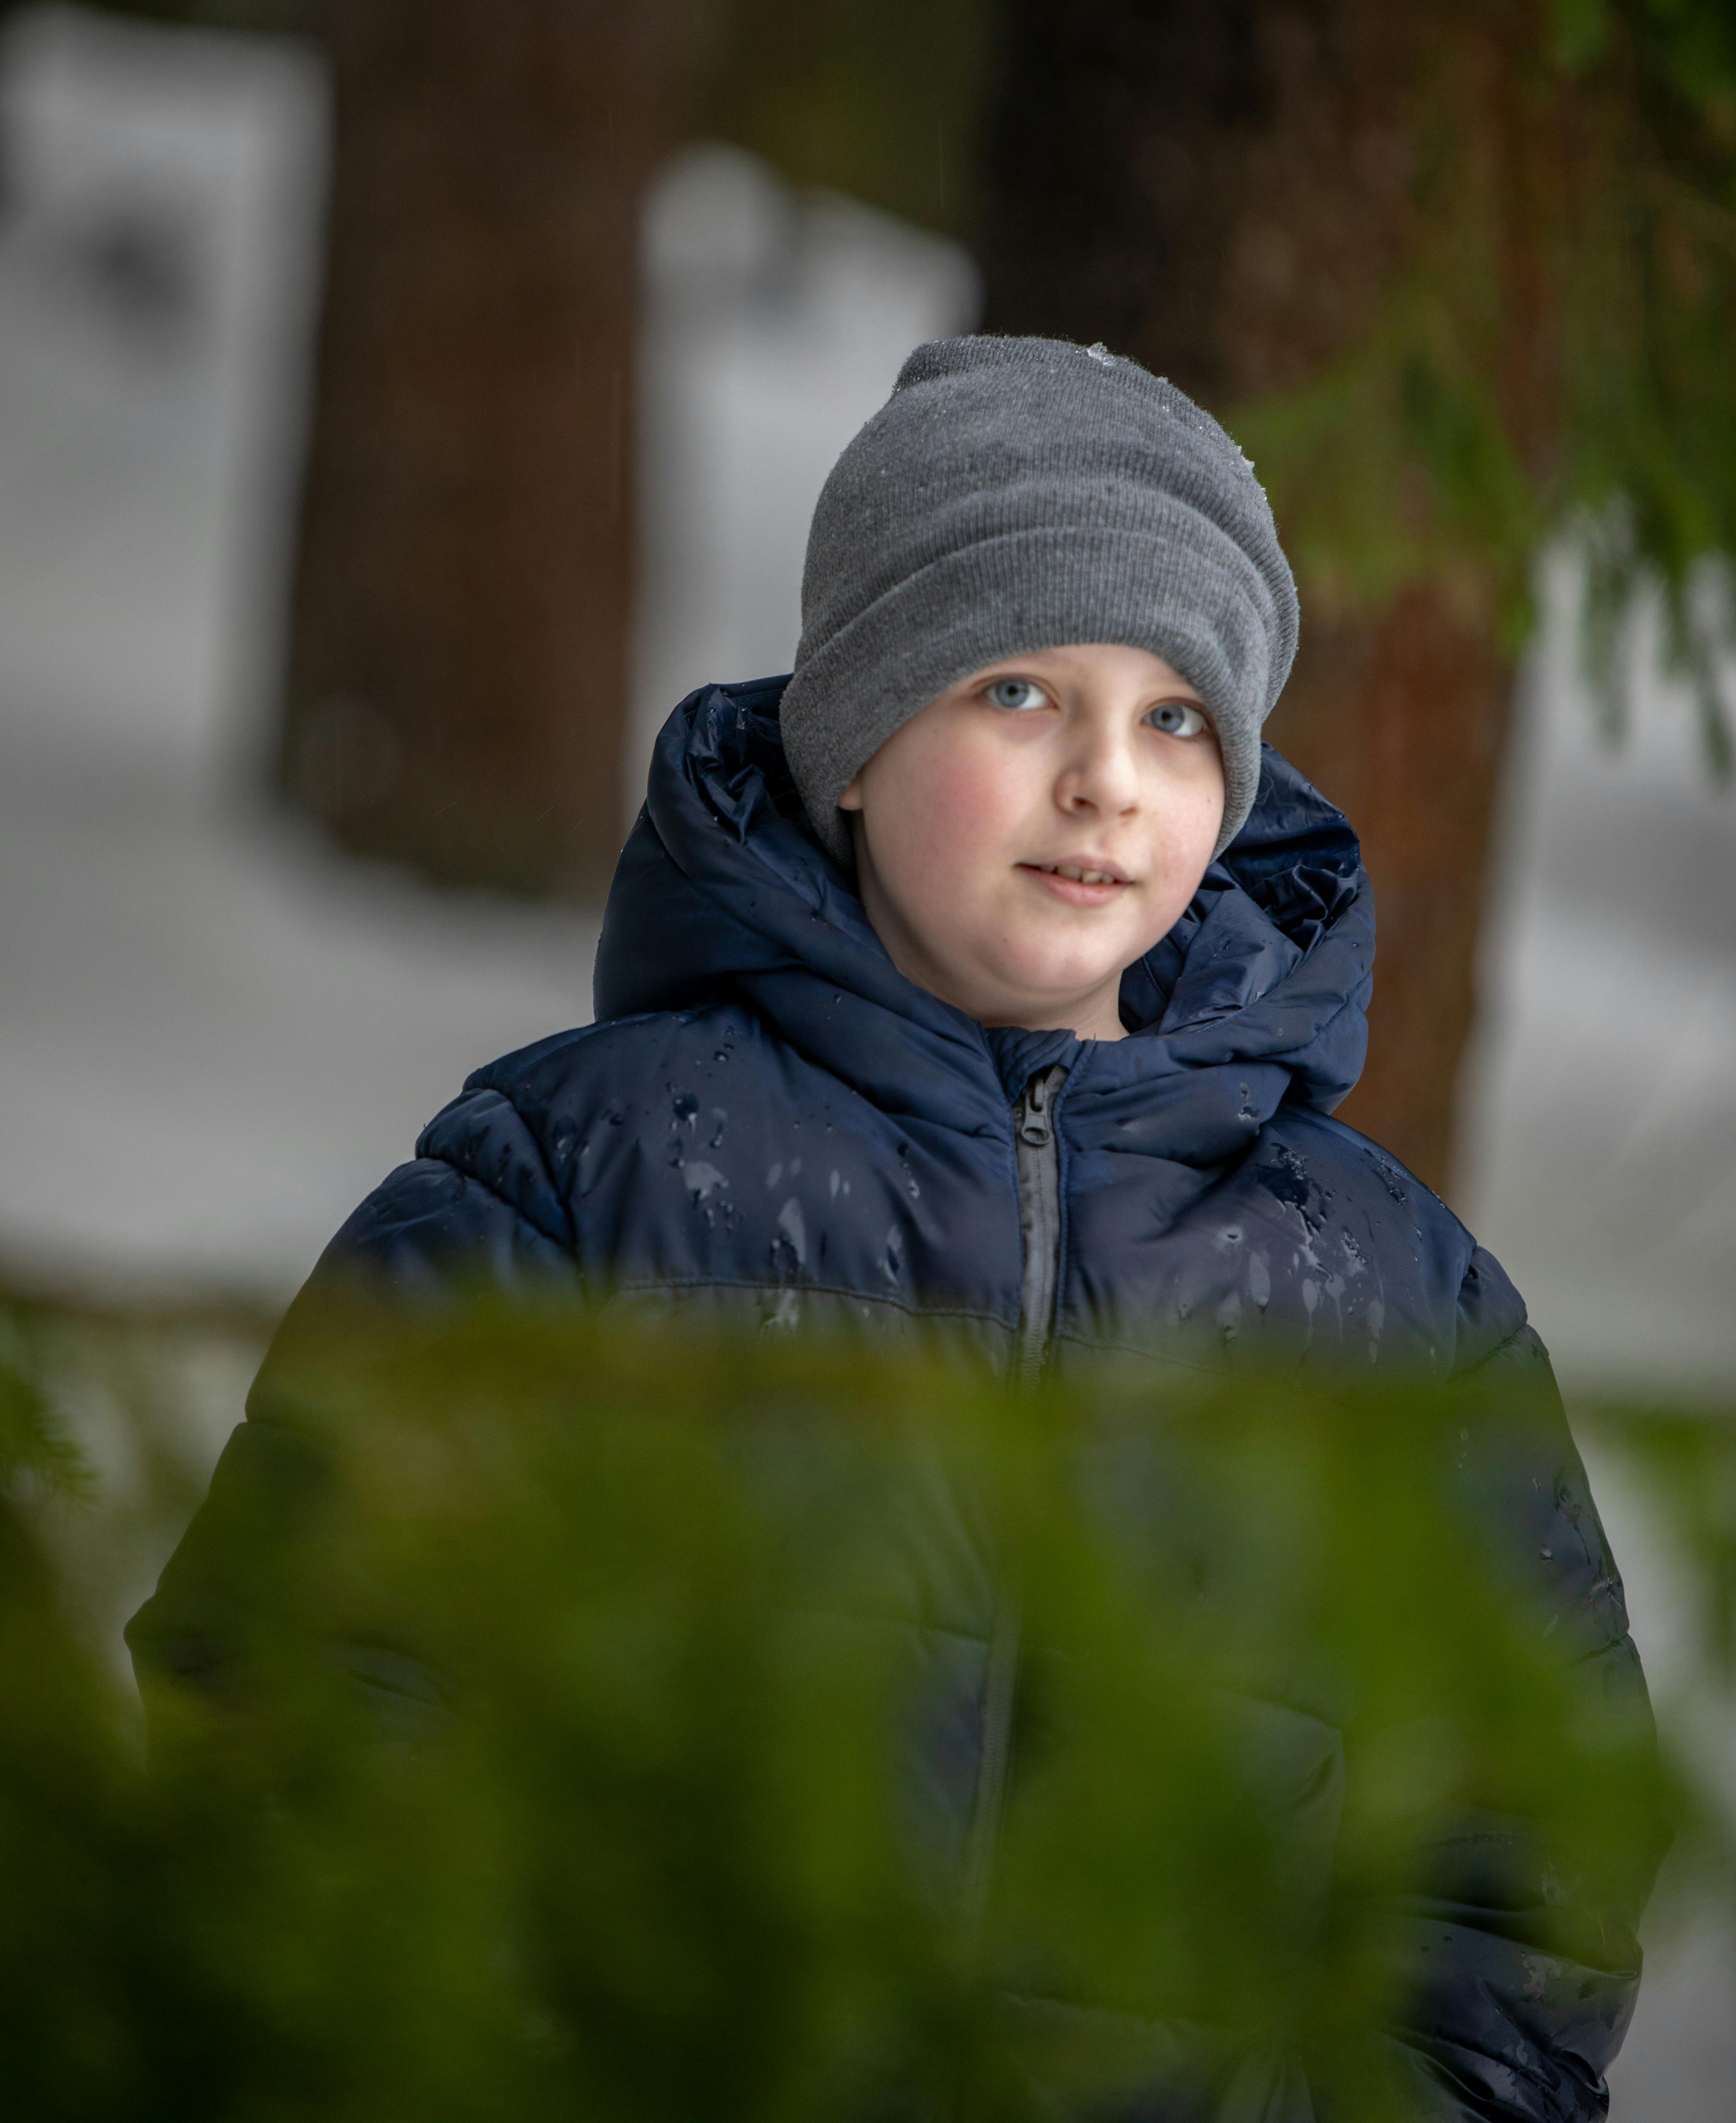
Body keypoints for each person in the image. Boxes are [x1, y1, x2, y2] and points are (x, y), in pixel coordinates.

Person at [132, 334, 1657, 2117]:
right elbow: (308, 1695)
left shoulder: (1381, 1286)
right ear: (851, 742)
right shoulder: (585, 1173)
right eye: (1016, 692)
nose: (1104, 778)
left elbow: (1519, 1877)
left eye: (1174, 716)